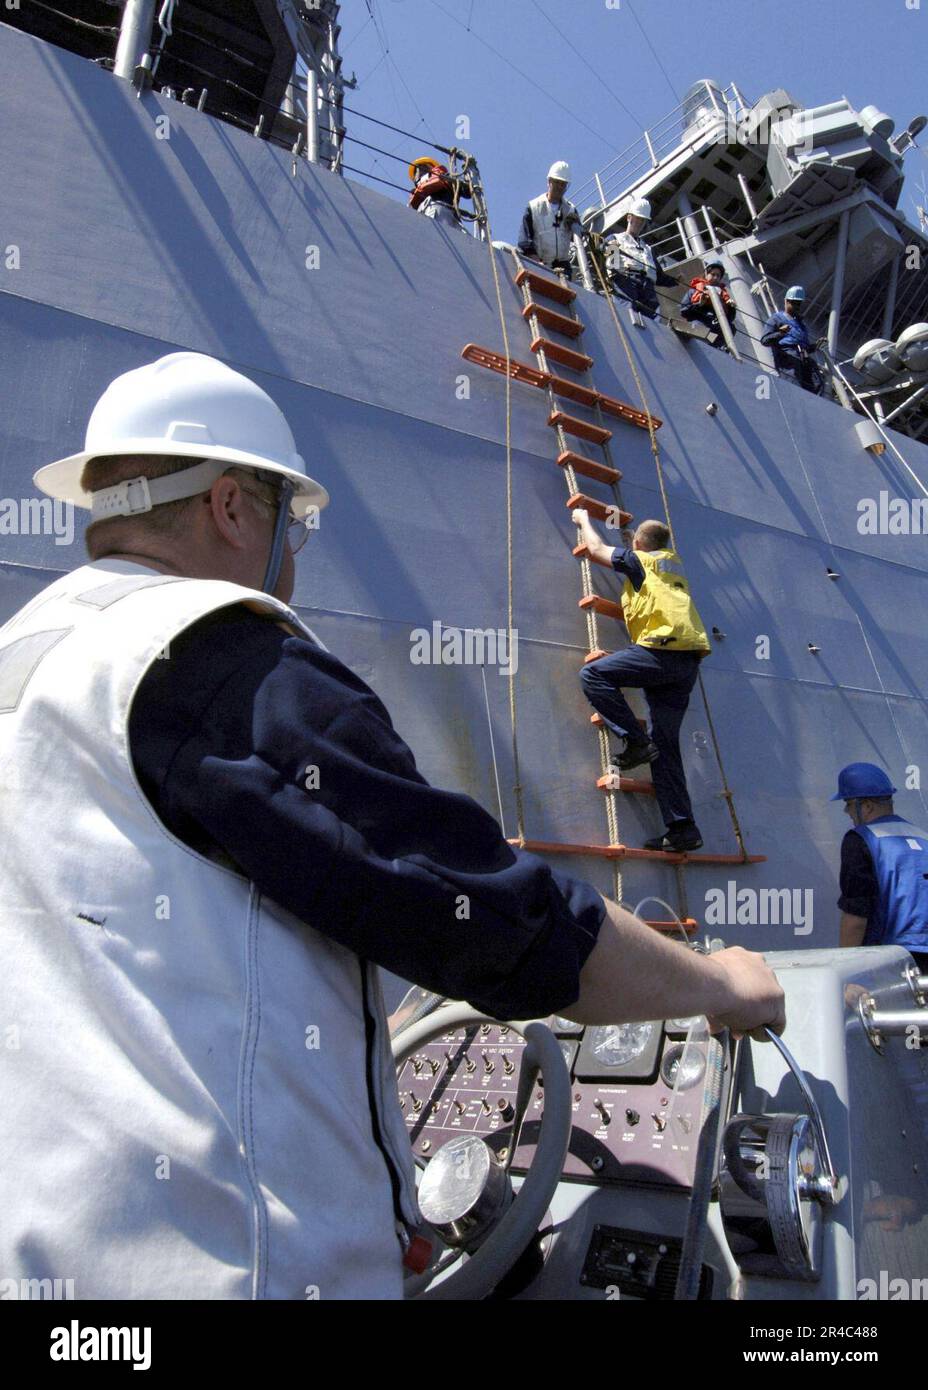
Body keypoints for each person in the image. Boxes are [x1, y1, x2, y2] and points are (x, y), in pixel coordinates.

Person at [0, 353, 784, 1300]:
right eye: (300, 520)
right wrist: (716, 981)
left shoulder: (31, 662)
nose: (299, 553)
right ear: (234, 507)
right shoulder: (216, 654)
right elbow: (494, 922)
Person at [572, 511, 710, 853]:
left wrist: (582, 520)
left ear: (638, 546)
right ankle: (683, 828)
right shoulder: (670, 564)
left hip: (661, 651)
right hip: (687, 663)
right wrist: (631, 539)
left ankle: (635, 743)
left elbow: (595, 548)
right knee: (665, 744)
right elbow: (642, 552)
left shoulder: (640, 561)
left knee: (593, 675)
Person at [832, 763, 928, 972]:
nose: (846, 811)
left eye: (848, 803)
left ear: (866, 806)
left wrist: (844, 971)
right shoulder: (923, 837)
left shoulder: (860, 840)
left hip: (891, 959)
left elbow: (856, 914)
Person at [604, 197, 676, 319]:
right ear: (629, 218)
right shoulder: (614, 238)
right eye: (637, 218)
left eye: (643, 220)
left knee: (653, 320)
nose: (640, 223)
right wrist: (613, 251)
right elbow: (612, 264)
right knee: (628, 314)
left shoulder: (647, 248)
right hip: (626, 283)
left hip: (648, 288)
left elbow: (658, 275)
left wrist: (675, 281)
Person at [518, 160, 582, 278]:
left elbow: (579, 240)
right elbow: (524, 241)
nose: (560, 187)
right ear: (549, 181)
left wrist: (577, 228)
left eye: (563, 184)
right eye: (557, 182)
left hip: (563, 269)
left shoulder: (571, 211)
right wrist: (537, 263)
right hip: (538, 265)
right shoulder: (533, 207)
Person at [761, 285, 823, 392]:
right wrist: (780, 333)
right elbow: (765, 340)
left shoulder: (801, 325)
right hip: (788, 357)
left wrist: (815, 346)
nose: (797, 306)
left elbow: (806, 347)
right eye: (794, 303)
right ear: (786, 301)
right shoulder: (777, 318)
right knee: (794, 386)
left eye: (799, 304)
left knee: (816, 384)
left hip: (804, 358)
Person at [680, 259, 737, 343]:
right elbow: (684, 311)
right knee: (700, 330)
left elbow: (730, 317)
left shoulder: (722, 295)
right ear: (706, 273)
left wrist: (730, 307)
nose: (715, 277)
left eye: (718, 276)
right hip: (699, 322)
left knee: (731, 329)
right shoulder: (694, 291)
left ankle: (718, 347)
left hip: (715, 325)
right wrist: (699, 304)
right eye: (713, 274)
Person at [408, 155, 466, 233]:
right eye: (416, 171)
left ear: (432, 169)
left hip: (443, 214)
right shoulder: (414, 193)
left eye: (423, 167)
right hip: (422, 218)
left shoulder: (445, 178)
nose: (419, 171)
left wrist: (465, 181)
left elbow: (466, 191)